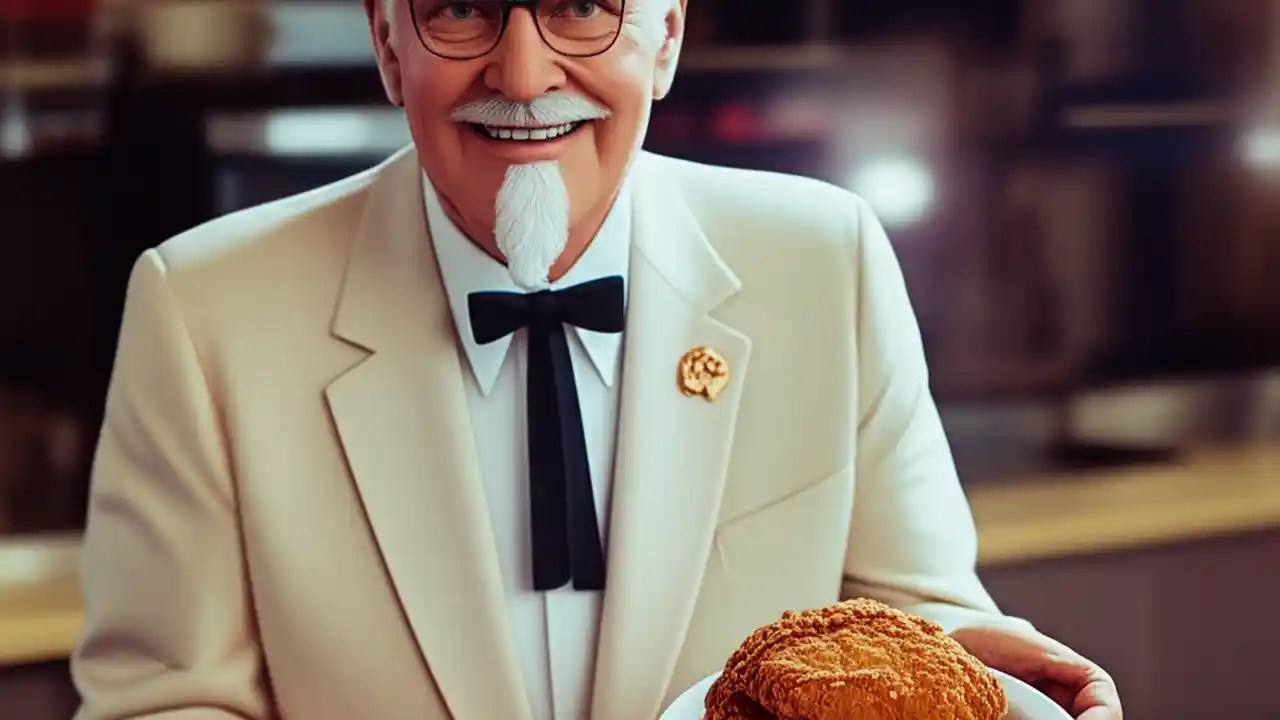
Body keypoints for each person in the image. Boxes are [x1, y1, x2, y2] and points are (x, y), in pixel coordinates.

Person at [72, 1, 1123, 719]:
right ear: (388, 42)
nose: (522, 74)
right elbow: (165, 701)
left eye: (581, 4)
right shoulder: (203, 307)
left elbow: (900, 629)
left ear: (665, 35)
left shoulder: (824, 259)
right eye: (460, 9)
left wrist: (996, 671)